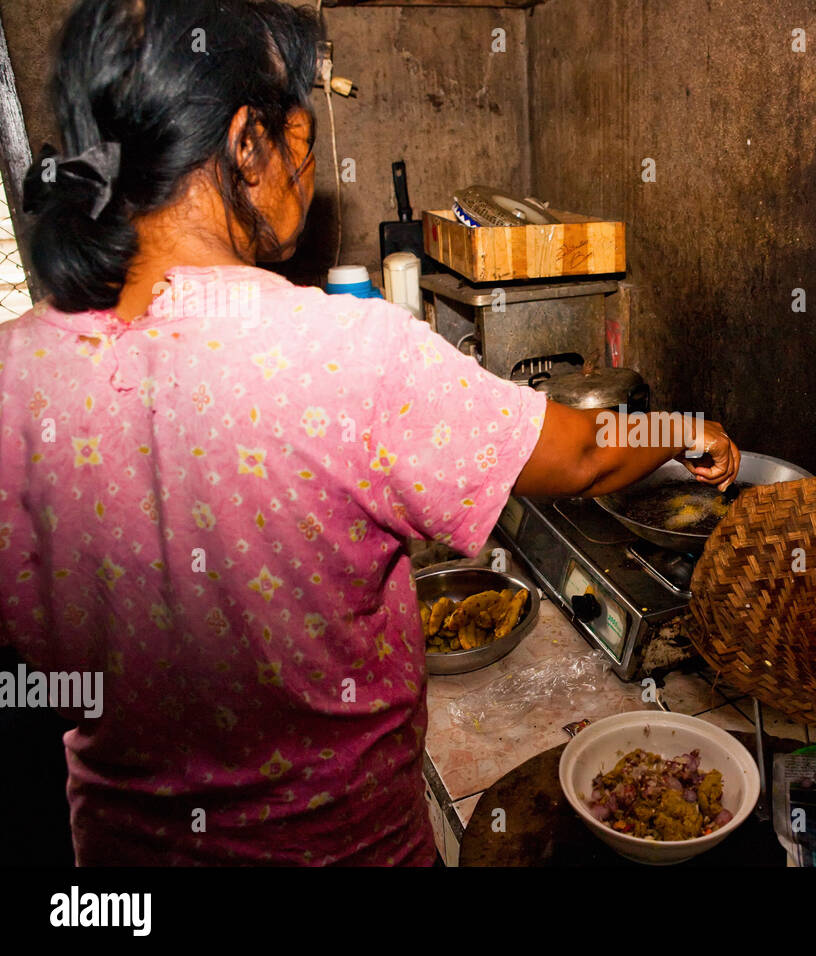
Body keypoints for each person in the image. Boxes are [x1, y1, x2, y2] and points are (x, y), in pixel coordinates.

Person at [0, 0, 738, 866]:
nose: (307, 175)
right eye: (302, 141)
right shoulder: (342, 354)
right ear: (247, 143)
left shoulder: (16, 376)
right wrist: (685, 426)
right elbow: (580, 450)